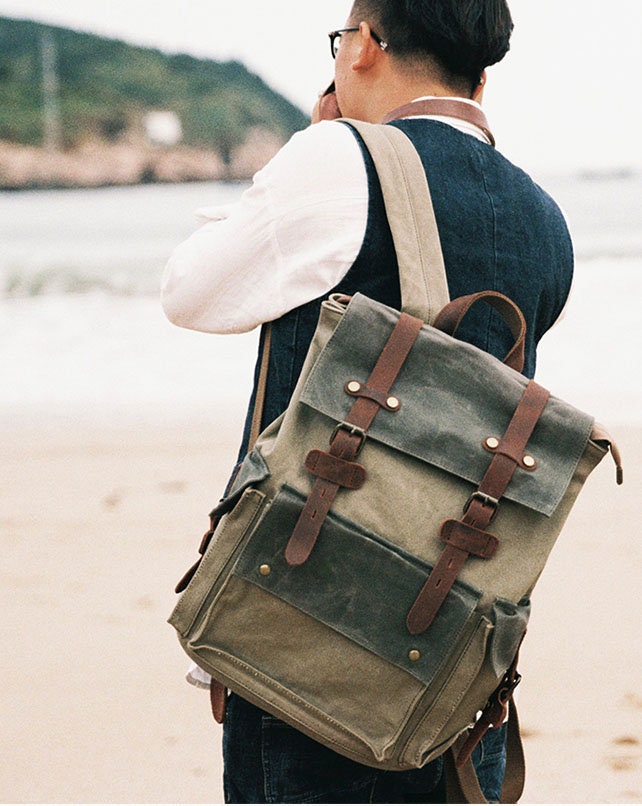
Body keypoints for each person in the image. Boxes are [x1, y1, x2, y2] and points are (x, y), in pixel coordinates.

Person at [162, 0, 573, 801]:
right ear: (480, 76)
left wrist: (304, 155)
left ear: (367, 45)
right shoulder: (543, 218)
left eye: (344, 35)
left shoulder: (333, 158)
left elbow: (190, 290)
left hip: (311, 638)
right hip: (456, 665)